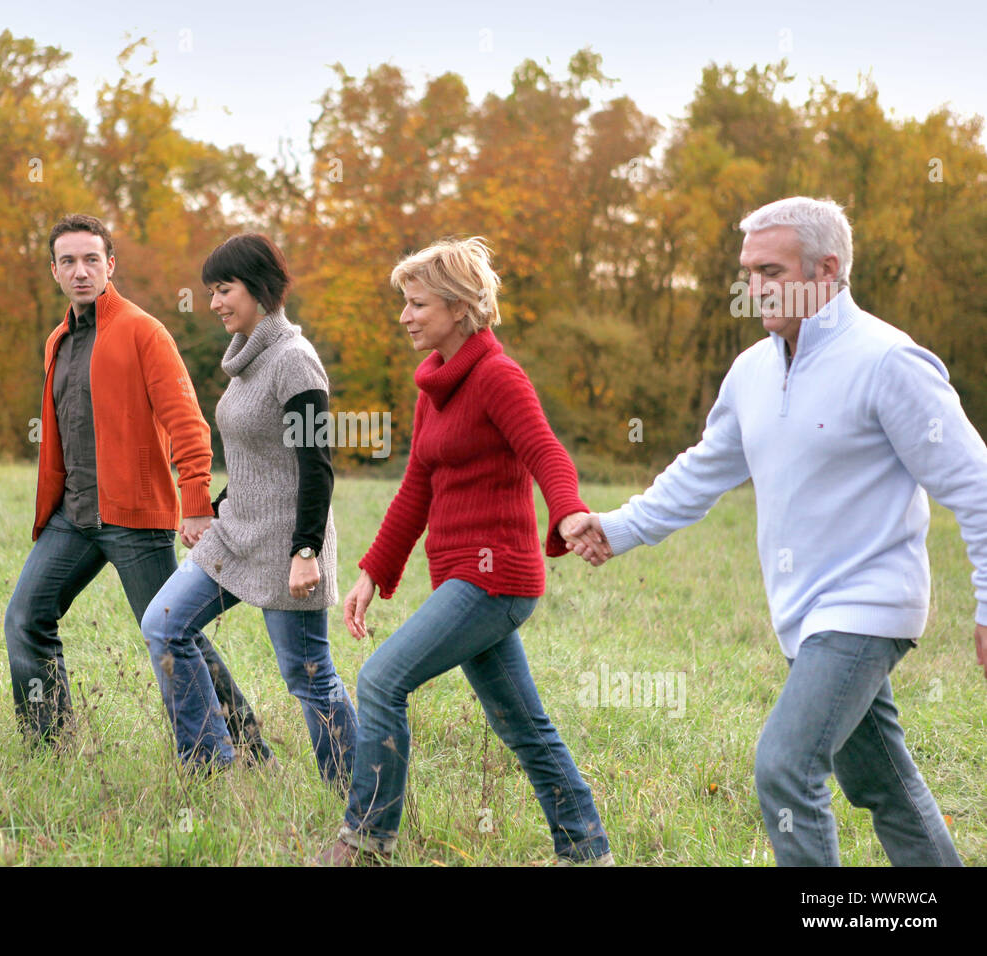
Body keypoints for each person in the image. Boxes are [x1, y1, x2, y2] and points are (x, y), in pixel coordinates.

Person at [563, 196, 987, 866]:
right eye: (748, 272)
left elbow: (976, 483)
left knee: (784, 767)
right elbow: (703, 471)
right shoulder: (753, 372)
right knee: (886, 788)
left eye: (771, 270)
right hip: (802, 614)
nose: (753, 287)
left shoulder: (887, 361)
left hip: (868, 606)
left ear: (827, 268)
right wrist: (616, 528)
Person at [317, 237, 613, 865]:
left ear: (459, 307)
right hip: (463, 579)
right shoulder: (435, 389)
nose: (405, 315)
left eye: (417, 303)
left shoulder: (498, 377)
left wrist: (568, 514)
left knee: (381, 680)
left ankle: (365, 842)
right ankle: (587, 851)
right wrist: (373, 570)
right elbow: (416, 488)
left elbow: (546, 453)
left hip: (496, 580)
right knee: (525, 727)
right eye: (404, 302)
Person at [3, 213, 270, 761]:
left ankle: (245, 745)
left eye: (92, 260)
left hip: (134, 518)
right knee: (25, 619)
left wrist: (195, 503)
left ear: (110, 265)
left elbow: (188, 423)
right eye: (69, 261)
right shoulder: (56, 342)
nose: (81, 271)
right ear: (54, 270)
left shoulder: (142, 330)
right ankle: (49, 746)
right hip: (73, 517)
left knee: (176, 633)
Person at [141, 234, 358, 779]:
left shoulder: (294, 362)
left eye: (224, 289)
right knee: (164, 625)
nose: (213, 303)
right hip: (237, 534)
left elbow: (316, 466)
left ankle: (363, 796)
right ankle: (211, 761)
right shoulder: (247, 358)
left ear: (260, 288)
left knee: (310, 678)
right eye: (211, 291)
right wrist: (218, 507)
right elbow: (258, 460)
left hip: (288, 547)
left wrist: (305, 550)